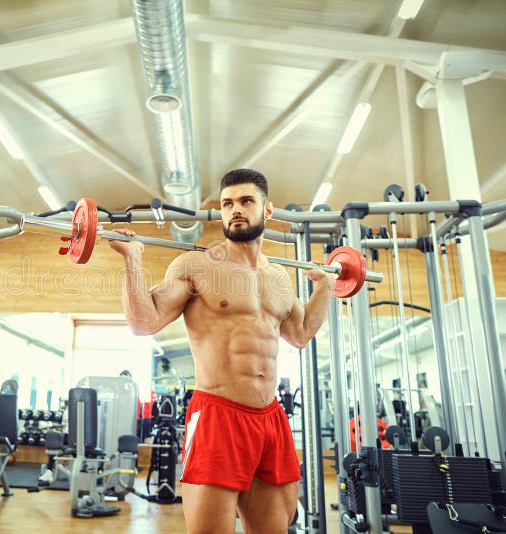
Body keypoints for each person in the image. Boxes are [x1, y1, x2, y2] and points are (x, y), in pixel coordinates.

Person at [108, 168, 336, 534]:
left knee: (276, 527)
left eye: (246, 201)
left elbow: (300, 332)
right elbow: (143, 322)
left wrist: (325, 286)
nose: (236, 210)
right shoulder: (197, 266)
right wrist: (131, 259)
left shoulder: (279, 278)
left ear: (268, 210)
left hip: (270, 417)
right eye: (228, 203)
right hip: (217, 415)